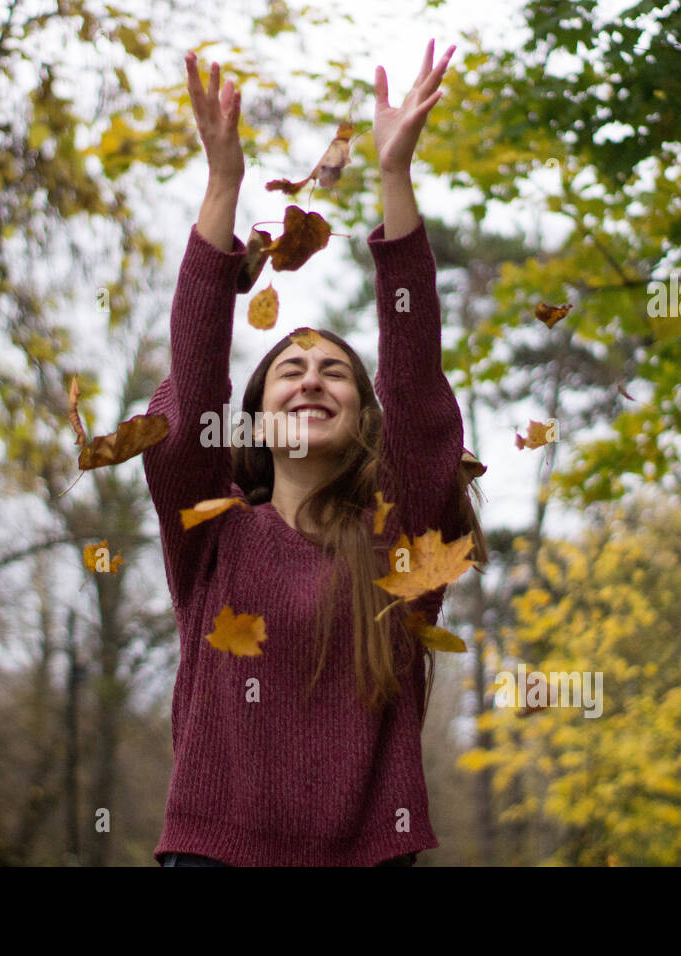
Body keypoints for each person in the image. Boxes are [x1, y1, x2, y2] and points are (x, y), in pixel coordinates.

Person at [145, 39, 486, 867]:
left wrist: (394, 182)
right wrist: (224, 188)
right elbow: (189, 403)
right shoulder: (214, 533)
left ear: (366, 420)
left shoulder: (402, 542)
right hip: (211, 858)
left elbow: (415, 389)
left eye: (335, 372)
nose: (309, 381)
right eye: (287, 371)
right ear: (252, 422)